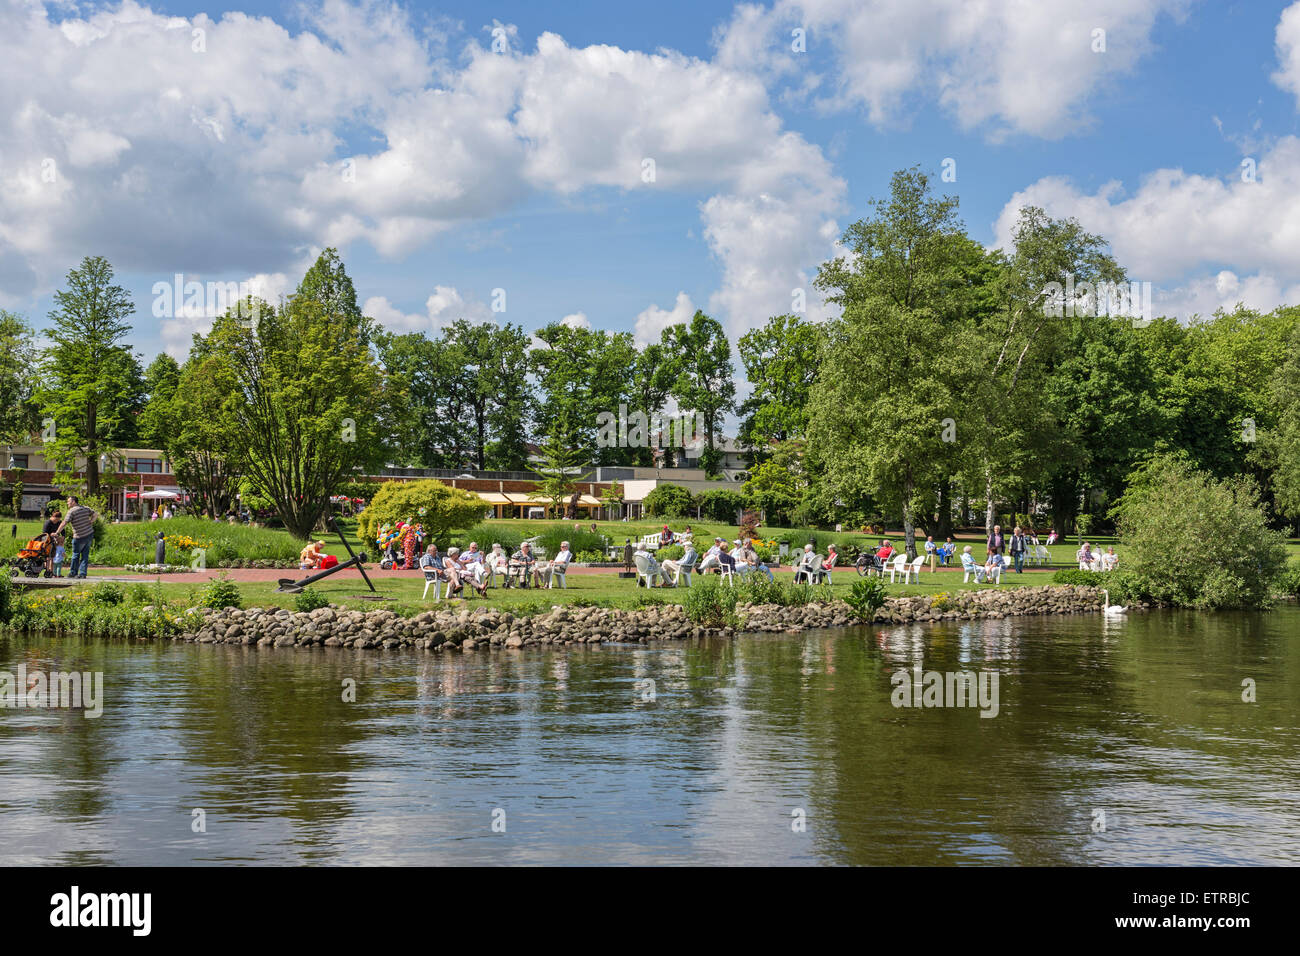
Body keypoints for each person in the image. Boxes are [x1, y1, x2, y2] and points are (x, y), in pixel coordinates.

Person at [55, 495, 97, 579]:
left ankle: (73, 573)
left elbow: (64, 522)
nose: (67, 503)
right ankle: (82, 574)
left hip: (79, 536)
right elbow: (95, 514)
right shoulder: (85, 508)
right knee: (85, 555)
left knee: (76, 554)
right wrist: (91, 521)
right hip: (89, 534)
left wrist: (57, 532)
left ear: (73, 502)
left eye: (68, 501)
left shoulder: (72, 511)